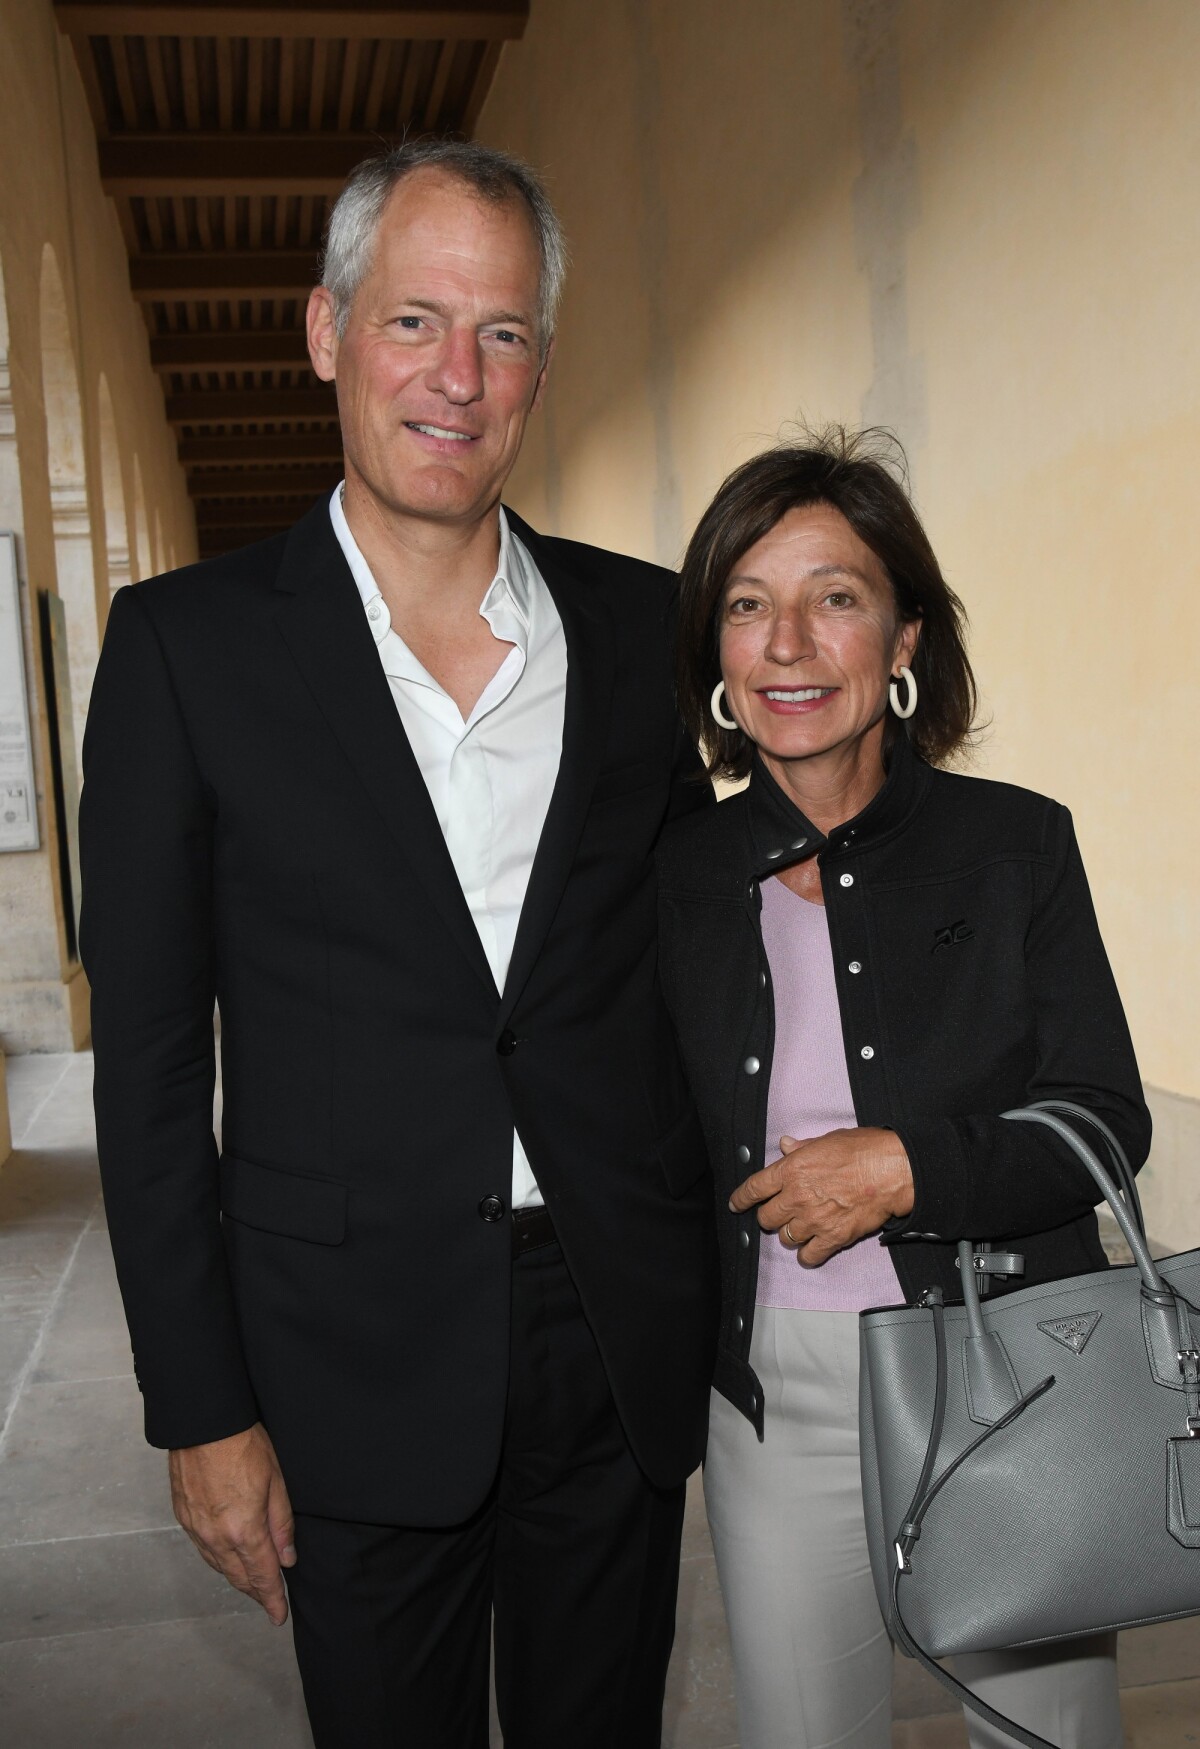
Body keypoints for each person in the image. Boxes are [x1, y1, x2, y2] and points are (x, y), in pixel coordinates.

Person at [78, 139, 718, 1749]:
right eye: (414, 320)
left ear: (542, 369)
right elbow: (150, 1066)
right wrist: (200, 1403)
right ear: (326, 334)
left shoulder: (643, 633)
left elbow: (706, 947)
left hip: (608, 1328)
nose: (456, 374)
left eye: (501, 333)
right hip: (341, 1354)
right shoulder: (182, 650)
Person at [656, 428, 1150, 1749]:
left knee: (1049, 1736)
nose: (789, 643)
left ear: (905, 636)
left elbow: (1106, 1114)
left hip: (1004, 1372)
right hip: (770, 1394)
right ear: (717, 656)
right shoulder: (675, 879)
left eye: (835, 597)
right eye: (748, 605)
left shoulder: (1015, 847)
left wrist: (908, 1168)